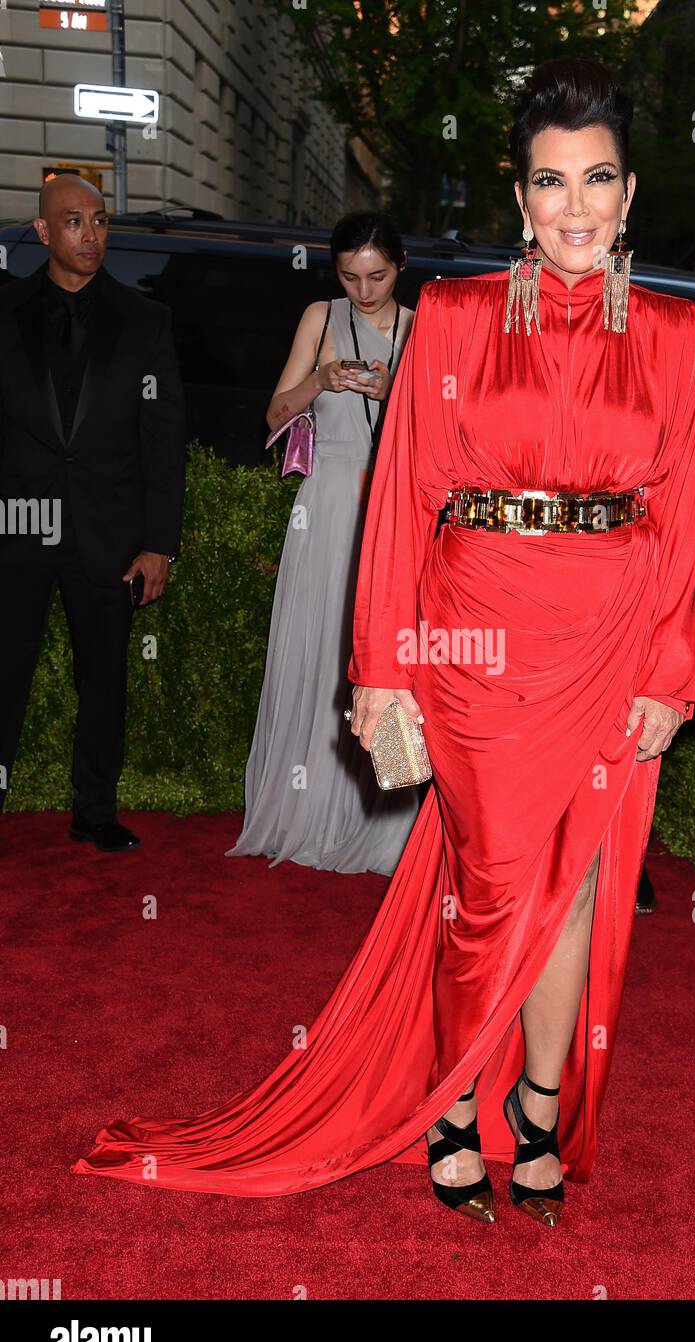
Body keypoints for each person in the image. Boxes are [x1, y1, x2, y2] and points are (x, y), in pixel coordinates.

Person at [72, 58, 695, 1226]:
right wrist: (382, 672)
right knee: (488, 887)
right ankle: (451, 1106)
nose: (575, 207)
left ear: (628, 196)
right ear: (521, 201)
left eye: (598, 180)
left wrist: (674, 668)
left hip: (613, 643)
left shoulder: (673, 333)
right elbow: (402, 500)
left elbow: (683, 511)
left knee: (571, 893)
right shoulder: (459, 318)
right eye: (550, 183)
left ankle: (536, 1106)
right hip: (477, 642)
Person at [226, 212, 419, 875]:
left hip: (396, 512)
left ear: (400, 267)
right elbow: (275, 417)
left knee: (388, 662)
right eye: (349, 275)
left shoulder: (423, 328)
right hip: (327, 505)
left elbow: (445, 433)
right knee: (321, 652)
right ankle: (306, 812)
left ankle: (388, 824)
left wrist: (396, 391)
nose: (363, 290)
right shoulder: (319, 315)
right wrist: (322, 381)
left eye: (377, 275)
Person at [0, 175, 185, 849]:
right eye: (73, 222)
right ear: (44, 232)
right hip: (14, 528)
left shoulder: (145, 320)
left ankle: (95, 810)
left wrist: (159, 544)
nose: (91, 235)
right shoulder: (5, 310)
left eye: (100, 220)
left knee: (103, 676)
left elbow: (164, 441)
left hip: (107, 531)